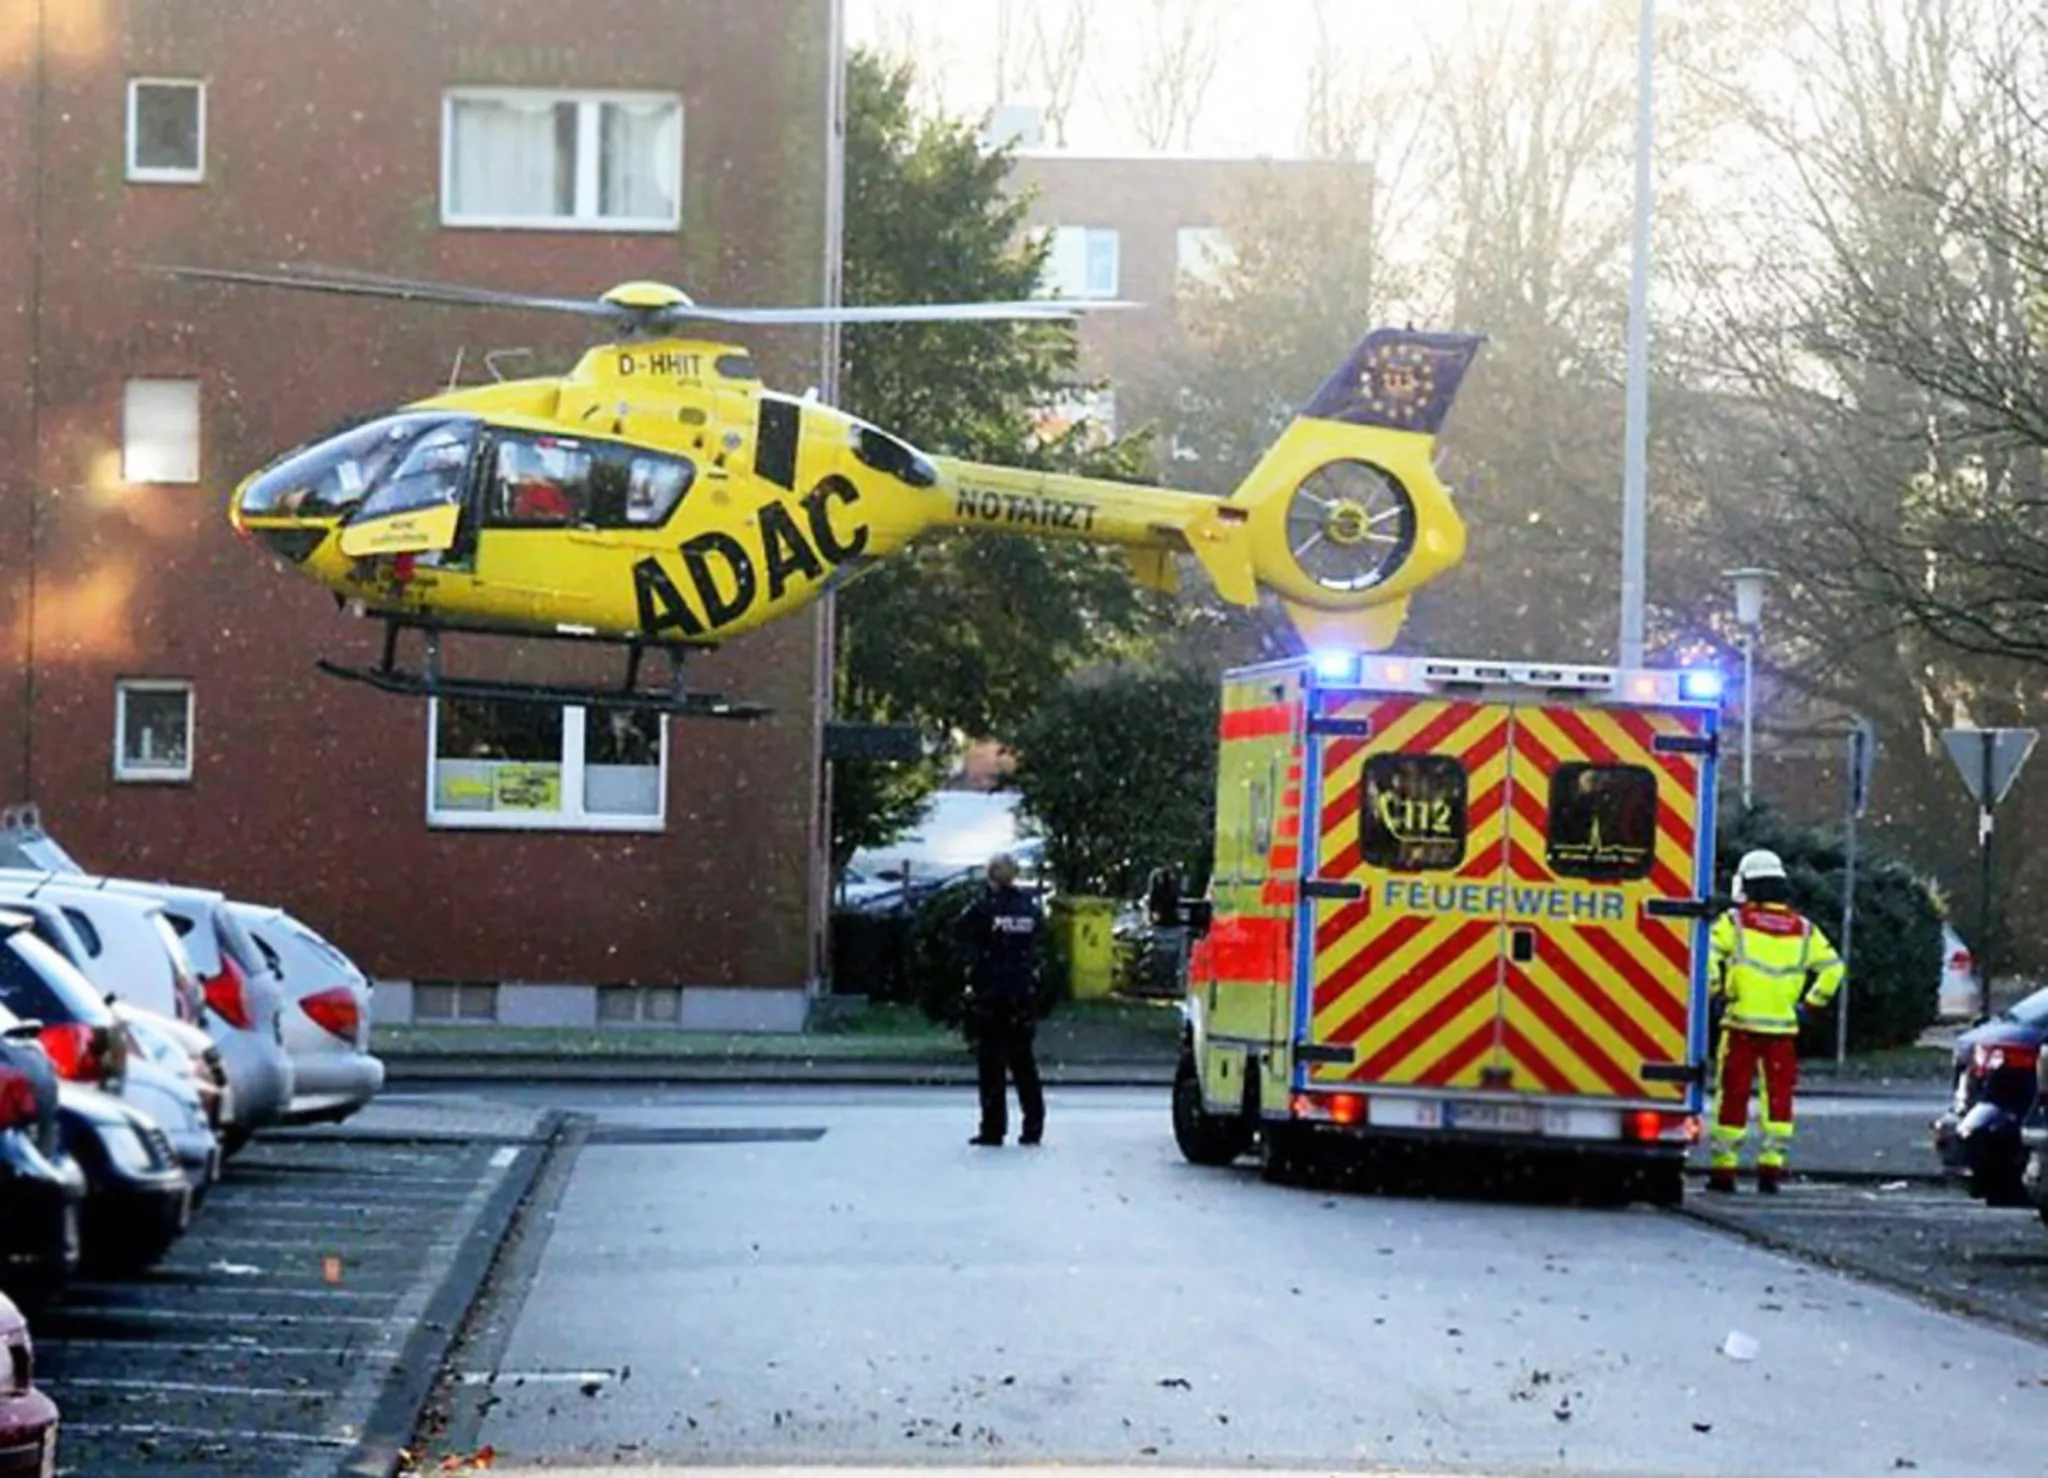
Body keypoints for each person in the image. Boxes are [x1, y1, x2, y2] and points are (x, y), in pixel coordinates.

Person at [1705, 849, 1845, 1194]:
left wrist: (1715, 990)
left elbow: (1706, 953)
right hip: (1782, 1030)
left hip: (1740, 1025)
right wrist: (1810, 1004)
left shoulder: (1733, 923)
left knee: (1732, 1095)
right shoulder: (1804, 930)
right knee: (1779, 1098)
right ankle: (1771, 1167)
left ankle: (1724, 1170)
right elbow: (1833, 969)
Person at [956, 852, 1045, 1147]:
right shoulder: (1029, 909)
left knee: (991, 1064)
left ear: (991, 875)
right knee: (1024, 1063)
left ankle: (993, 1128)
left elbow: (961, 934)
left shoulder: (983, 908)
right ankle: (1033, 1125)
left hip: (991, 994)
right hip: (1022, 993)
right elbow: (1039, 944)